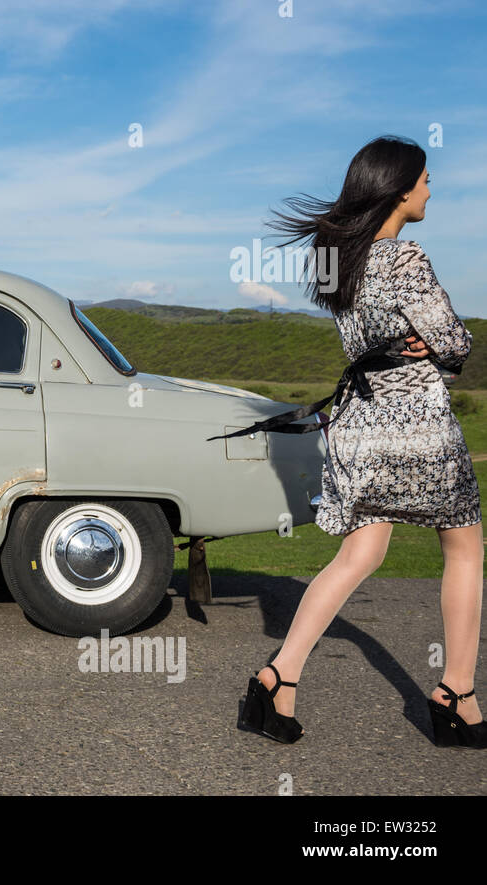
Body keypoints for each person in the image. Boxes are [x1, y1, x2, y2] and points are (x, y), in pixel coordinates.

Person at [238, 135, 485, 746]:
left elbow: (376, 345)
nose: (431, 189)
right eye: (425, 180)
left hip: (361, 429)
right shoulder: (404, 258)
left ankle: (278, 678)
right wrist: (444, 345)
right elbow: (455, 343)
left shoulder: (342, 262)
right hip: (418, 429)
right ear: (400, 189)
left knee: (359, 556)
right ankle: (458, 693)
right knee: (465, 549)